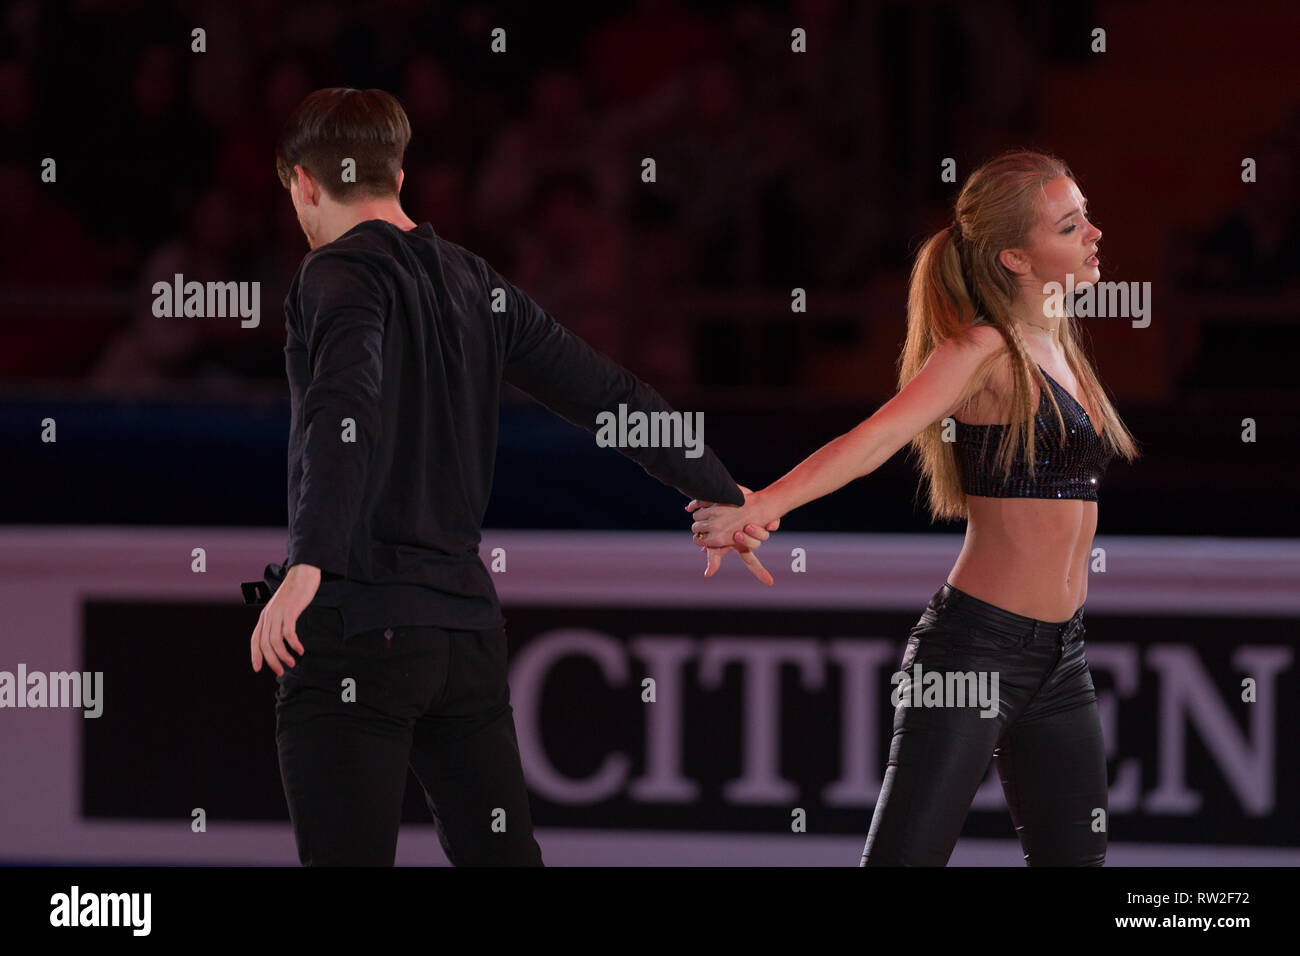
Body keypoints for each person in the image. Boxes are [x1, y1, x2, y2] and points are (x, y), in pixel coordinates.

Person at [246, 87, 776, 866]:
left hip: (359, 625)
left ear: (303, 183)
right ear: (399, 173)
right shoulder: (475, 283)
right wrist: (723, 490)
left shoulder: (334, 274)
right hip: (462, 635)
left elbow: (342, 410)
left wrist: (310, 561)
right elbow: (609, 396)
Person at [689, 150, 1141, 866]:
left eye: (1083, 216)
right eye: (1069, 224)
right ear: (1016, 259)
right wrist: (765, 503)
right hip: (975, 651)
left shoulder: (1057, 344)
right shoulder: (984, 350)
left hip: (1061, 657)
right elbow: (876, 437)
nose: (1093, 233)